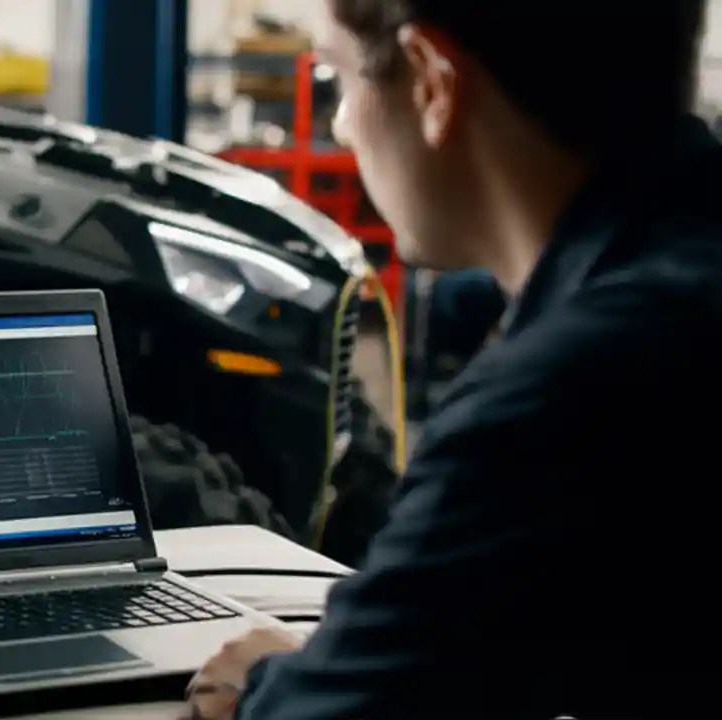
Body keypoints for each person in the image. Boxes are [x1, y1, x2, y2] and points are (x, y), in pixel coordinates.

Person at [185, 1, 721, 718]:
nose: (341, 126)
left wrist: (263, 686)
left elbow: (343, 707)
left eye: (340, 78)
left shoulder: (564, 396)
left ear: (431, 83)